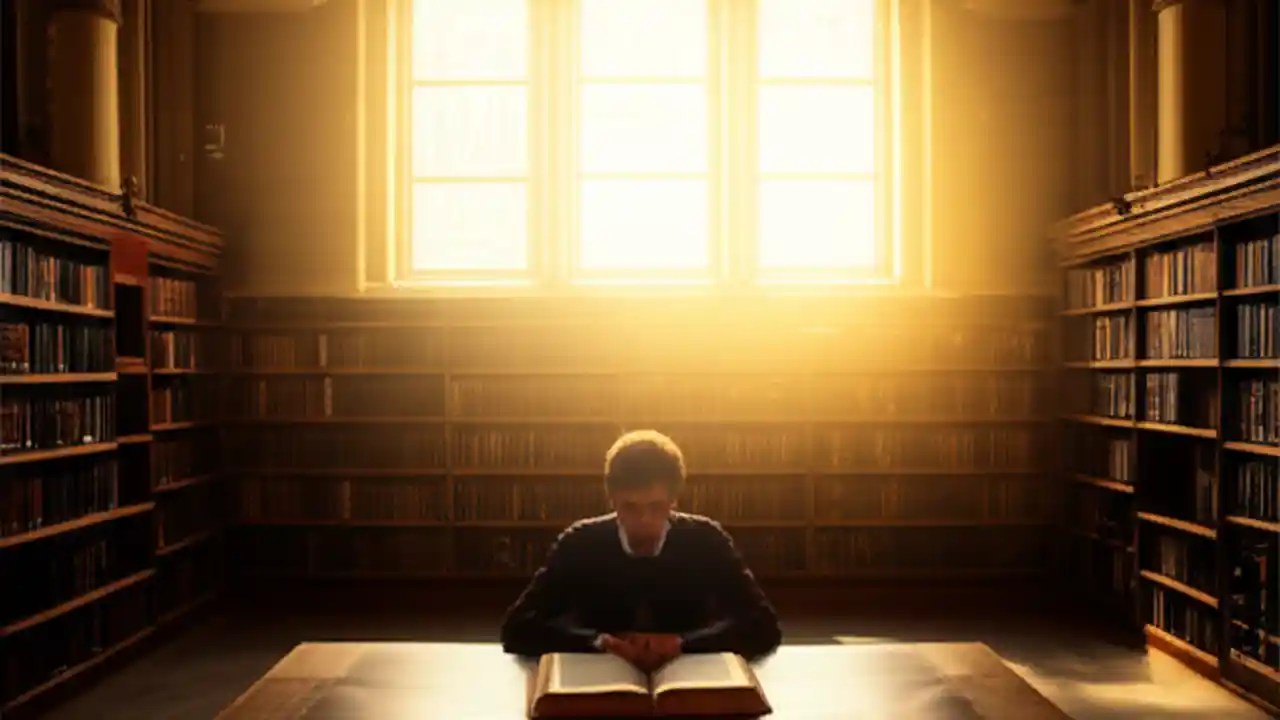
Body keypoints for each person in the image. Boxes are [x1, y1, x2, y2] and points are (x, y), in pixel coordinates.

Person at [500, 429, 783, 671]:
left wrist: (684, 643)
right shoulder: (580, 542)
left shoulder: (706, 539)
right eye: (630, 507)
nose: (644, 520)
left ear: (674, 501)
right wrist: (599, 641)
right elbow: (518, 627)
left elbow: (763, 626)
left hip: (687, 676)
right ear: (612, 500)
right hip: (601, 676)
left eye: (656, 507)